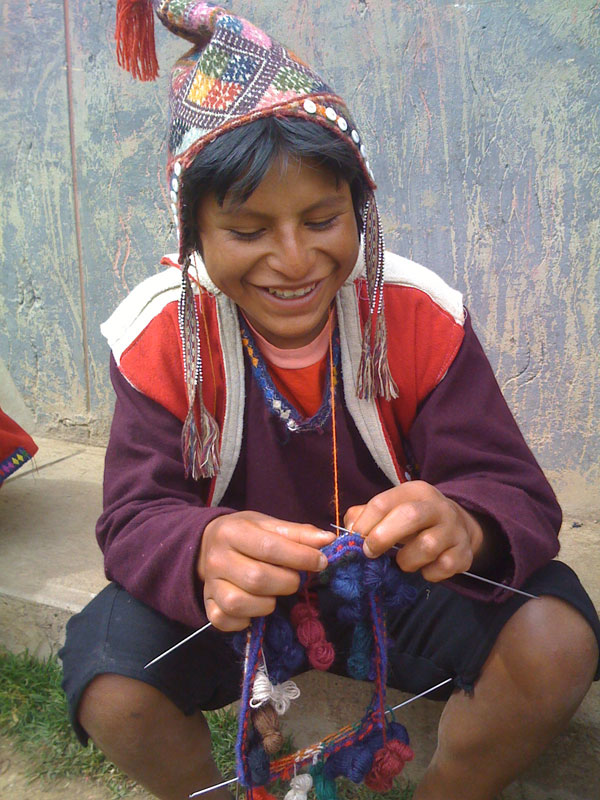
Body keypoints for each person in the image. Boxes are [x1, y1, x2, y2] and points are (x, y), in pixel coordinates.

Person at [59, 3, 600, 799]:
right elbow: (133, 517)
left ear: (360, 210)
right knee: (109, 671)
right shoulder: (159, 333)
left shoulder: (417, 312)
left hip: (395, 595)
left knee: (554, 634)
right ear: (196, 234)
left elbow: (516, 495)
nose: (294, 259)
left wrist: (464, 524)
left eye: (323, 219)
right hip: (240, 613)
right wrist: (205, 547)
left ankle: (453, 788)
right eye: (247, 230)